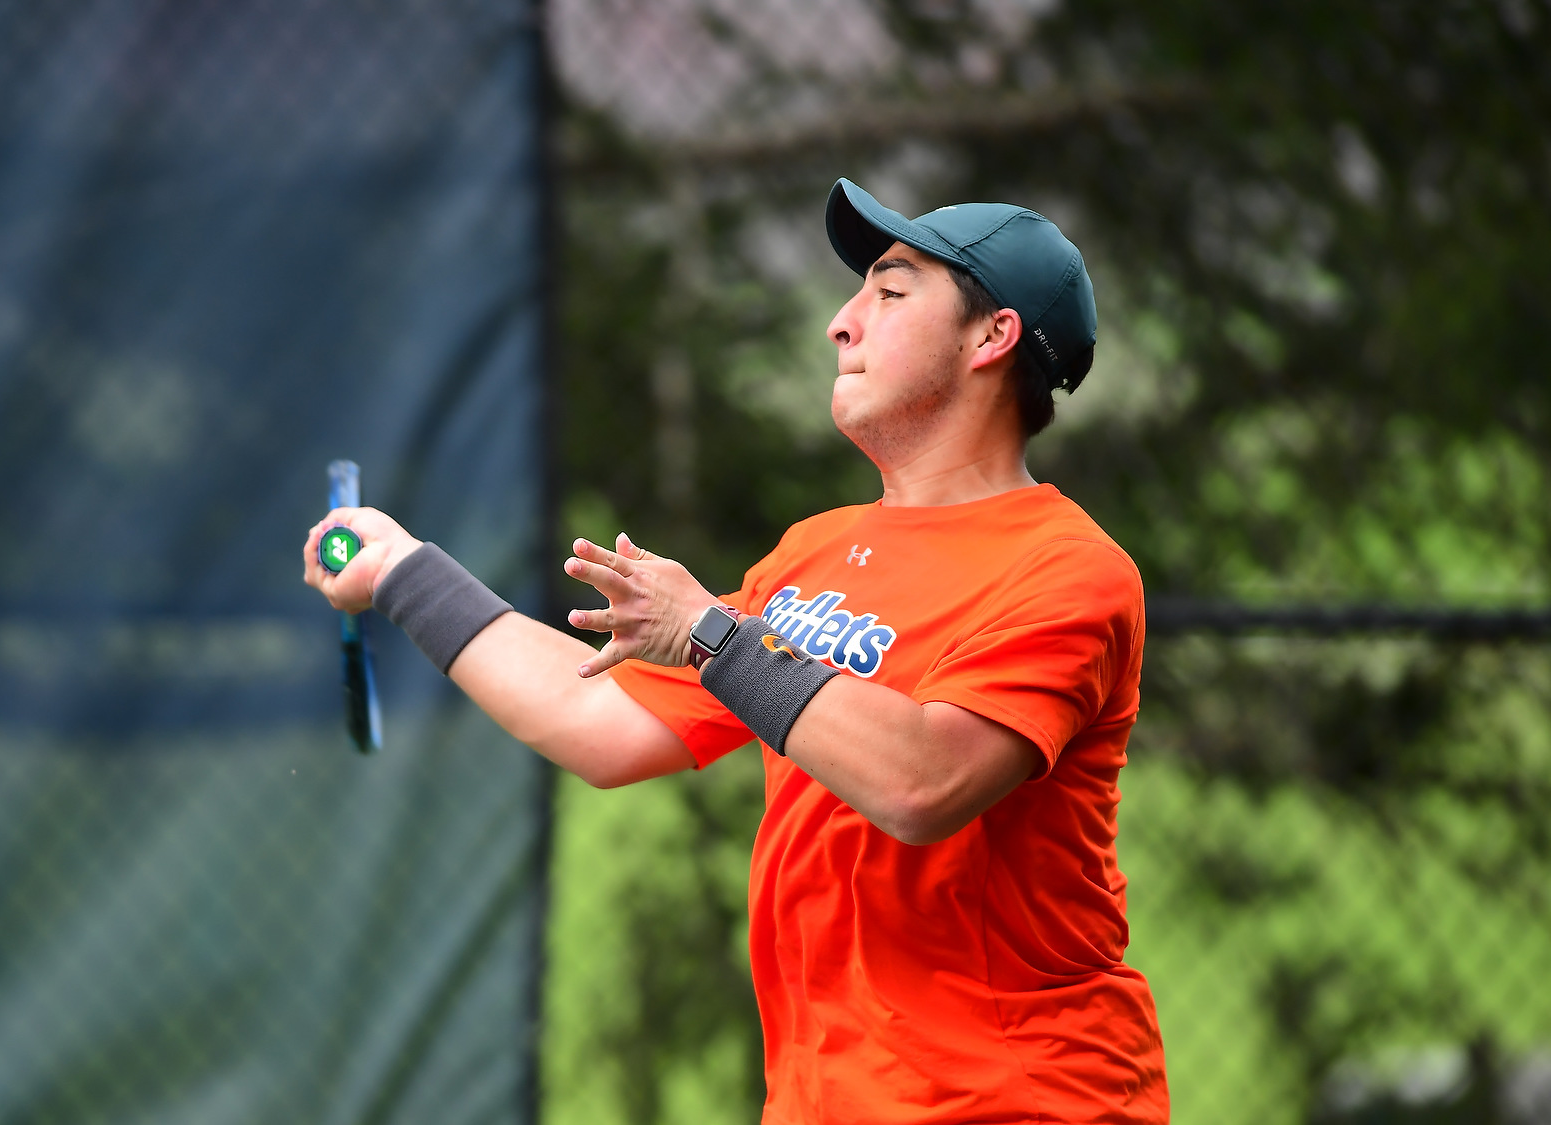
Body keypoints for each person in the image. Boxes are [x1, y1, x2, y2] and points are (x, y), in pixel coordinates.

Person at [303, 179, 1168, 1124]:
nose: (842, 324)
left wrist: (712, 636)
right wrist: (404, 570)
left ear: (991, 337)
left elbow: (924, 782)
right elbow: (594, 720)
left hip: (1022, 1101)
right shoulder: (816, 553)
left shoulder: (1069, 569)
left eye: (889, 291)